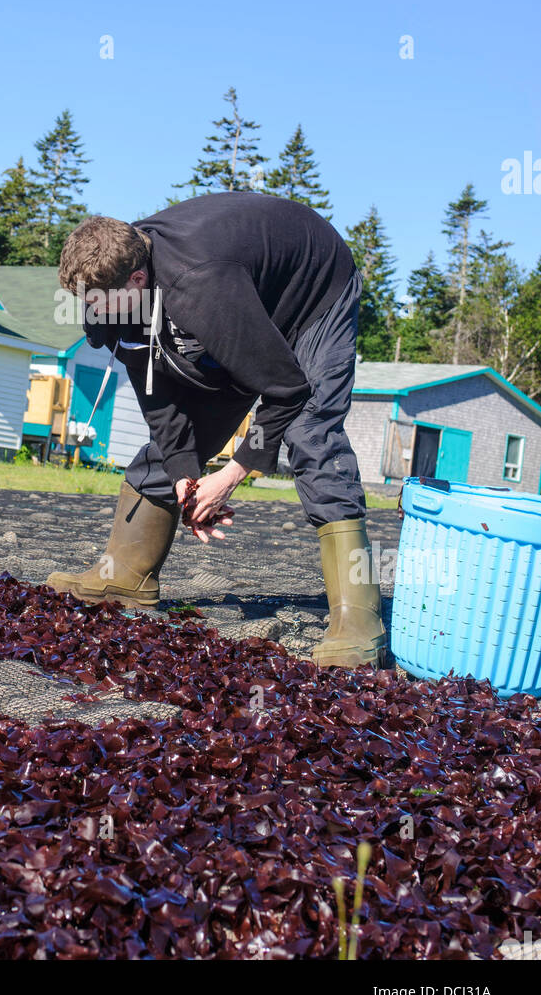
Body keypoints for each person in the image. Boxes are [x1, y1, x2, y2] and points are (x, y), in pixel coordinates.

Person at [46, 191, 387, 669]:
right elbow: (157, 395)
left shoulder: (200, 287)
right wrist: (185, 474)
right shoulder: (105, 285)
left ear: (138, 279)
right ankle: (124, 573)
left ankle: (359, 618)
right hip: (242, 299)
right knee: (171, 446)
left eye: (98, 303)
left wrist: (232, 473)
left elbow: (286, 390)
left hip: (312, 289)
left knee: (312, 436)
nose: (91, 312)